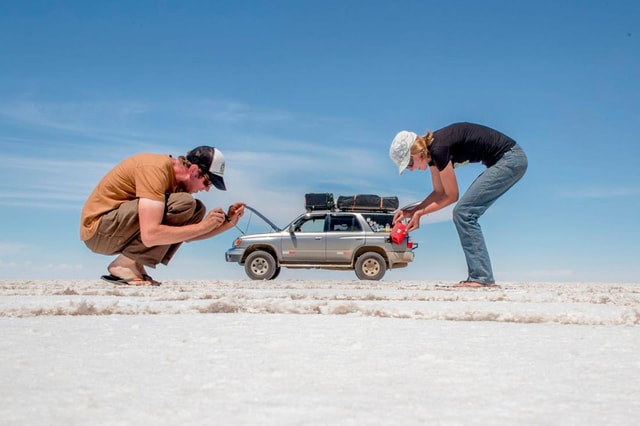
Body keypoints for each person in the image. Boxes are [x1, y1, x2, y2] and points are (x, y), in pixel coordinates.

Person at [80, 146, 245, 286]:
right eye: (208, 182)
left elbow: (187, 235)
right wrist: (202, 226)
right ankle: (124, 264)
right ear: (194, 171)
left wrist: (227, 224)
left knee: (197, 209)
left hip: (114, 230)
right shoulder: (155, 170)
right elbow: (151, 234)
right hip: (99, 231)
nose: (207, 189)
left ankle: (135, 263)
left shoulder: (177, 186)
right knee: (186, 203)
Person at [389, 122, 528, 287]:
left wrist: (420, 213)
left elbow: (452, 195)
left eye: (409, 164)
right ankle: (480, 276)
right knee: (464, 212)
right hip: (508, 159)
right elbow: (438, 192)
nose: (411, 169)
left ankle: (481, 277)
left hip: (511, 159)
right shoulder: (432, 156)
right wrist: (411, 212)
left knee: (464, 213)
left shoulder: (439, 149)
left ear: (416, 151)